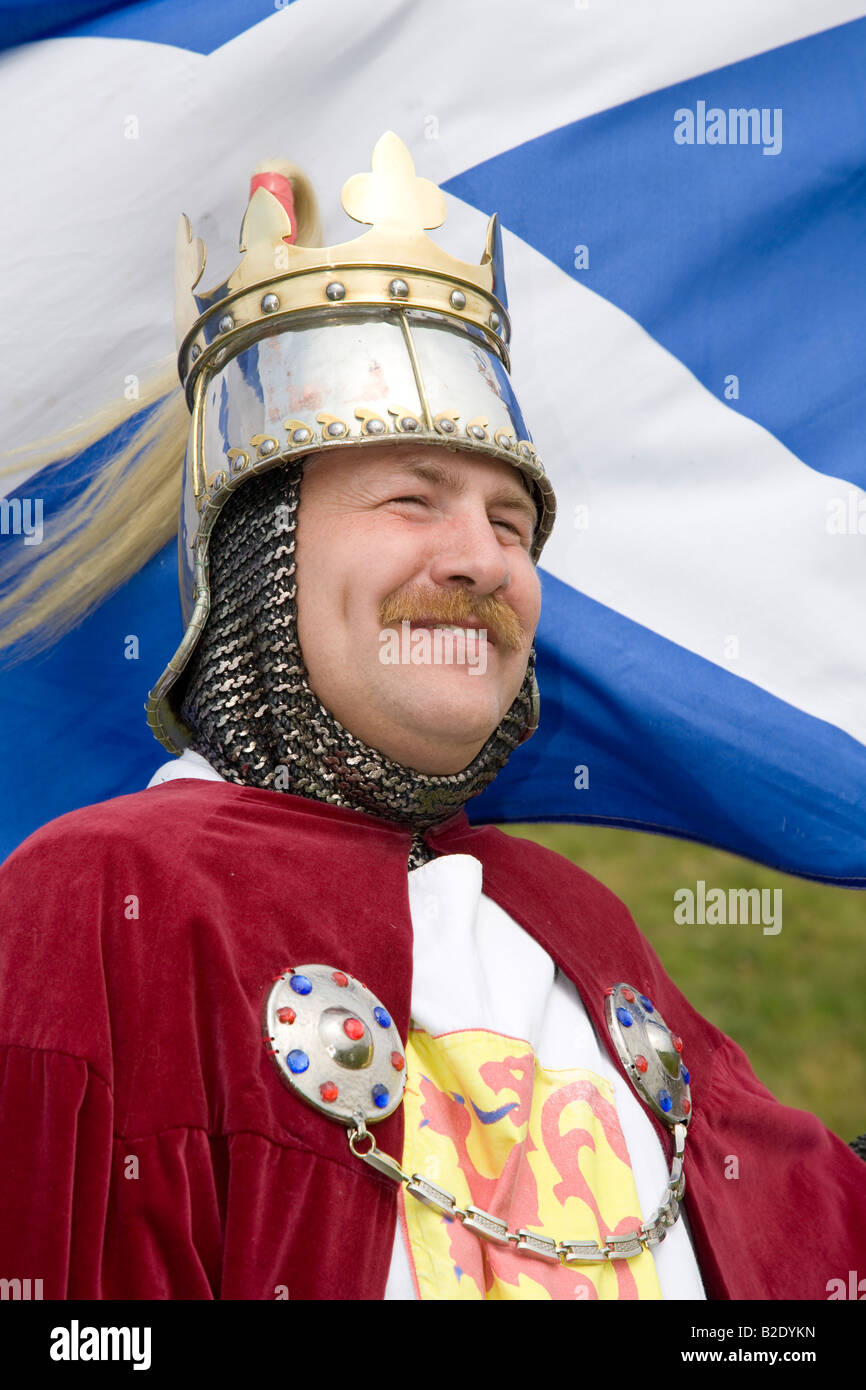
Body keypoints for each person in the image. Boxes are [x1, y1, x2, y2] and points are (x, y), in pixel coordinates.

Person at [0, 131, 863, 1302]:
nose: (479, 561)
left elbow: (805, 1238)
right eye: (412, 499)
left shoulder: (571, 919)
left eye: (513, 527)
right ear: (266, 558)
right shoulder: (98, 903)